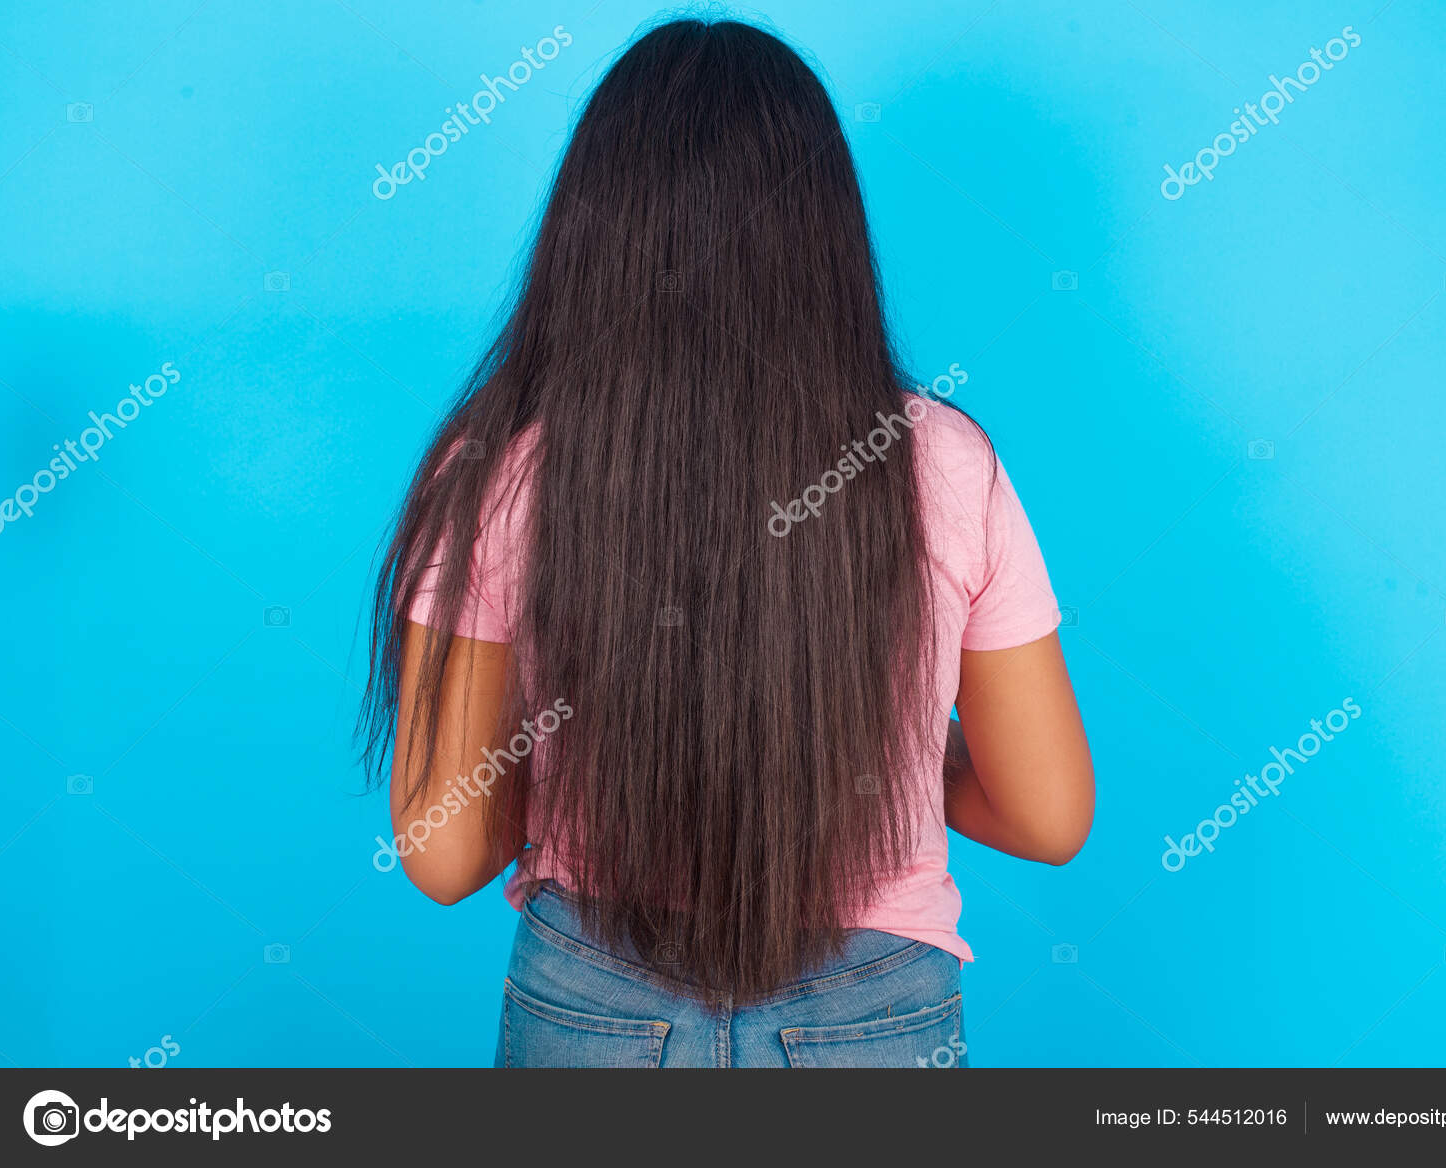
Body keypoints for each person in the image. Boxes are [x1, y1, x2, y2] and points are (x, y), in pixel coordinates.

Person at [359, 17, 1094, 1068]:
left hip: (594, 1007)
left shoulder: (496, 466)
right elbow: (1048, 813)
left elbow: (442, 851)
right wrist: (867, 749)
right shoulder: (940, 459)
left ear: (592, 228)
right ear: (824, 229)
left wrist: (610, 749)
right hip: (871, 1013)